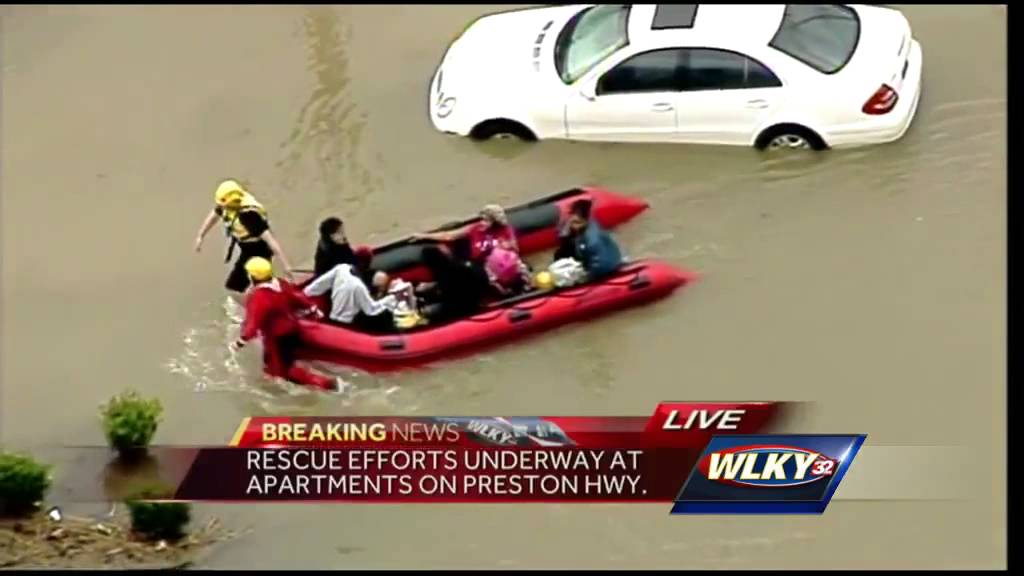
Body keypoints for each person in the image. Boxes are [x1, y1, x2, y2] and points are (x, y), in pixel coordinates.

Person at [230, 258, 341, 392]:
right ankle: (270, 378)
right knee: (273, 364)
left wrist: (239, 342)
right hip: (292, 328)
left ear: (253, 277)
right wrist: (312, 308)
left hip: (277, 337)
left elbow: (253, 324)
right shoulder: (280, 283)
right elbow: (296, 297)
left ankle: (326, 384)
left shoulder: (259, 297)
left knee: (285, 370)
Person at [194, 179, 296, 294]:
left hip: (259, 249)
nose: (220, 207)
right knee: (238, 284)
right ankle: (256, 294)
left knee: (247, 282)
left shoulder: (249, 216)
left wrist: (287, 266)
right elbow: (213, 216)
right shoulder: (227, 207)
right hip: (245, 248)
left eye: (222, 204)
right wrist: (201, 235)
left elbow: (271, 241)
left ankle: (268, 296)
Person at [303, 261, 396, 334]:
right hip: (345, 326)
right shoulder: (359, 289)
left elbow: (319, 284)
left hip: (335, 318)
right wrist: (390, 299)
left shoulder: (341, 269)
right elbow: (371, 310)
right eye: (382, 289)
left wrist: (305, 293)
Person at [412, 204, 518, 262]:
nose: (482, 222)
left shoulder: (506, 230)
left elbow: (514, 250)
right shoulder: (475, 228)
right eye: (482, 219)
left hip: (500, 267)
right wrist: (424, 236)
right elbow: (449, 236)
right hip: (479, 268)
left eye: (486, 220)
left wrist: (502, 247)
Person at [553, 198, 623, 281]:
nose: (572, 226)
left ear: (585, 221)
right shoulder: (582, 228)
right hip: (588, 257)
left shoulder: (592, 241)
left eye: (576, 223)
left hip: (605, 268)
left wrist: (587, 277)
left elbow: (603, 264)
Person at [416, 246, 490, 322]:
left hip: (467, 304)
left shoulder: (447, 273)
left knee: (426, 312)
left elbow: (450, 296)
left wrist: (434, 291)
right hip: (473, 293)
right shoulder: (458, 262)